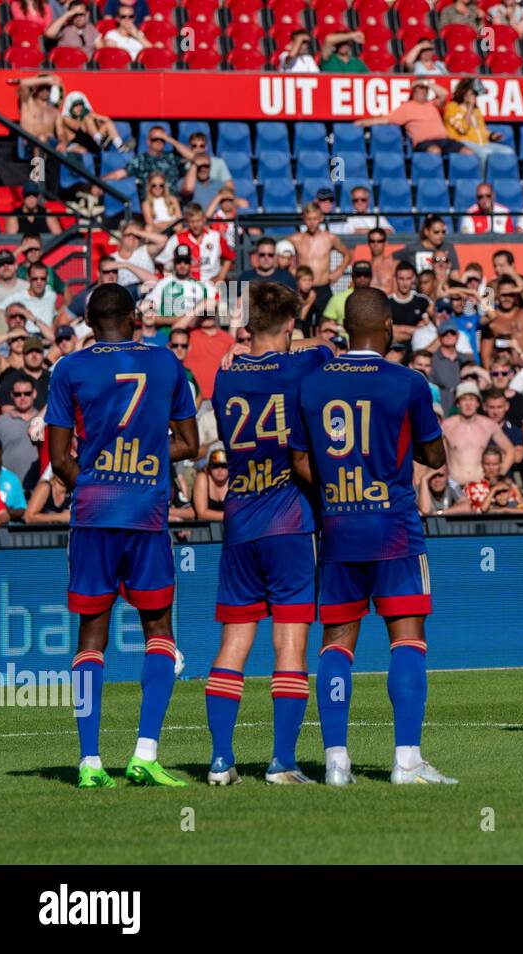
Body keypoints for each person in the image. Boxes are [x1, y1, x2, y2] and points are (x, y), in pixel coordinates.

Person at [291, 288, 456, 786]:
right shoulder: (408, 382)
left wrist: (339, 490)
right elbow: (435, 457)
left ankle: (336, 762)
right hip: (394, 528)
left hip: (339, 523)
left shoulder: (313, 382)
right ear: (387, 328)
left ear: (345, 330)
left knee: (337, 640)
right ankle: (406, 760)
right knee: (407, 638)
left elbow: (299, 458)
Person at [44, 284, 200, 788]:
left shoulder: (68, 369)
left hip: (93, 513)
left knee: (91, 637)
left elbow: (60, 457)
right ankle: (145, 753)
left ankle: (89, 762)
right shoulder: (166, 365)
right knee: (159, 631)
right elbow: (191, 443)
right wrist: (147, 459)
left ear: (88, 322)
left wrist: (92, 479)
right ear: (136, 317)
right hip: (146, 513)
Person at [204, 283, 332, 784]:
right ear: (289, 327)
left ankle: (220, 761)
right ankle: (281, 762)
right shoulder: (300, 365)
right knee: (290, 642)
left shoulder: (224, 376)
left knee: (233, 640)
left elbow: (263, 347)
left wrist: (255, 342)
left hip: (238, 519)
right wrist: (292, 341)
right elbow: (327, 349)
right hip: (289, 521)